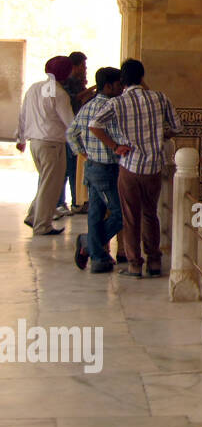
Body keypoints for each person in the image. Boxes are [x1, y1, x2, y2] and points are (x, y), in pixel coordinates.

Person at [90, 59, 182, 278]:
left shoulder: (118, 103)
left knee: (131, 217)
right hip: (153, 167)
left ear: (122, 80)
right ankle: (154, 262)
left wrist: (115, 146)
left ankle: (134, 264)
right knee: (151, 214)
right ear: (143, 76)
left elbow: (94, 125)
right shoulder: (160, 98)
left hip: (130, 165)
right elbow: (178, 127)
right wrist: (161, 135)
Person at [66, 67, 124, 274]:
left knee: (96, 213)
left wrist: (84, 153)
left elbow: (71, 133)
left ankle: (98, 257)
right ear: (108, 86)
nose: (122, 88)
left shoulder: (87, 107)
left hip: (92, 167)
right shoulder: (112, 109)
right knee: (121, 214)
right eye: (119, 84)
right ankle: (88, 244)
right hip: (107, 168)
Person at [15, 56, 75, 236]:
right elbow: (70, 122)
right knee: (51, 186)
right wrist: (81, 144)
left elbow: (23, 114)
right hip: (52, 144)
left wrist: (20, 138)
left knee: (45, 182)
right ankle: (42, 225)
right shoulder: (59, 93)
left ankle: (34, 216)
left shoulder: (34, 88)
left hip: (36, 143)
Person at [58, 51, 95, 217]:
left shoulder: (78, 82)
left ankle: (76, 201)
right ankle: (67, 203)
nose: (84, 69)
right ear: (75, 66)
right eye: (83, 65)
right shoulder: (68, 82)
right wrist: (94, 89)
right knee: (68, 169)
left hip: (75, 128)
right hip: (69, 128)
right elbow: (72, 99)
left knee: (74, 169)